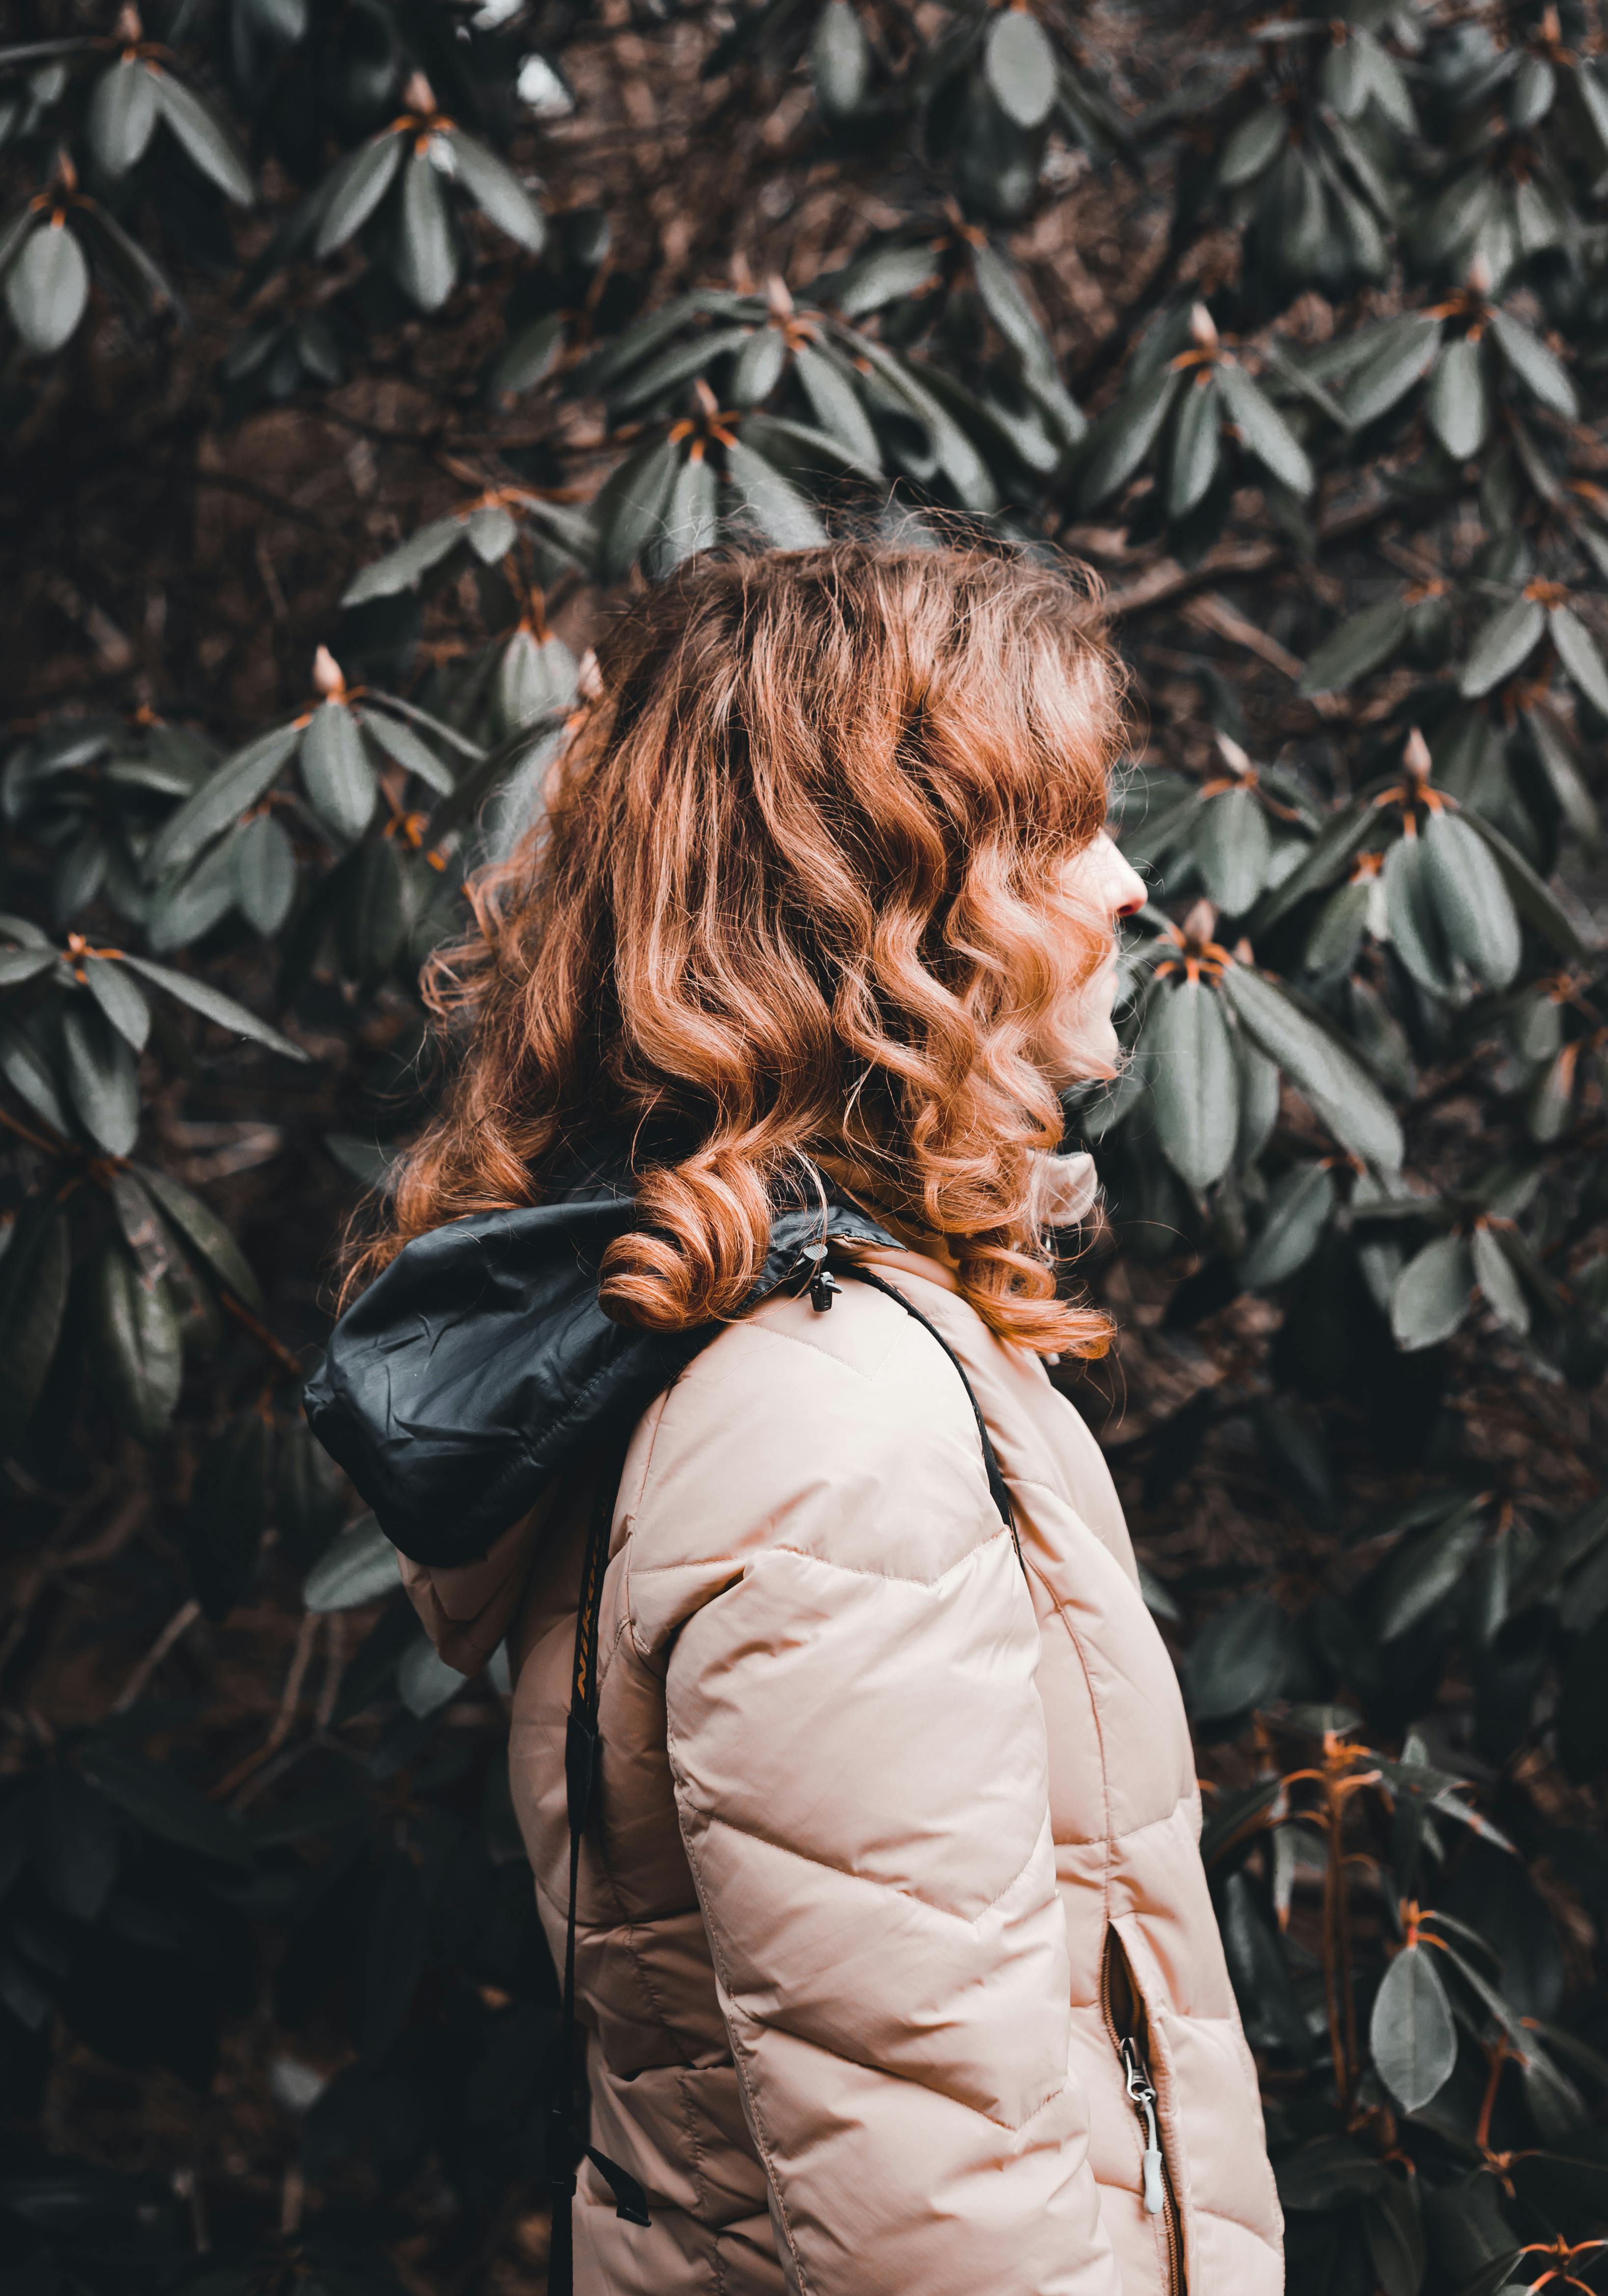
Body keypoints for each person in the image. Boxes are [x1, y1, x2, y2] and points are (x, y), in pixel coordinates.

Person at [307, 544, 1283, 2296]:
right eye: (1062, 832)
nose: (1135, 884)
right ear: (894, 903)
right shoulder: (829, 1430)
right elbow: (938, 2219)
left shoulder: (783, 1346)